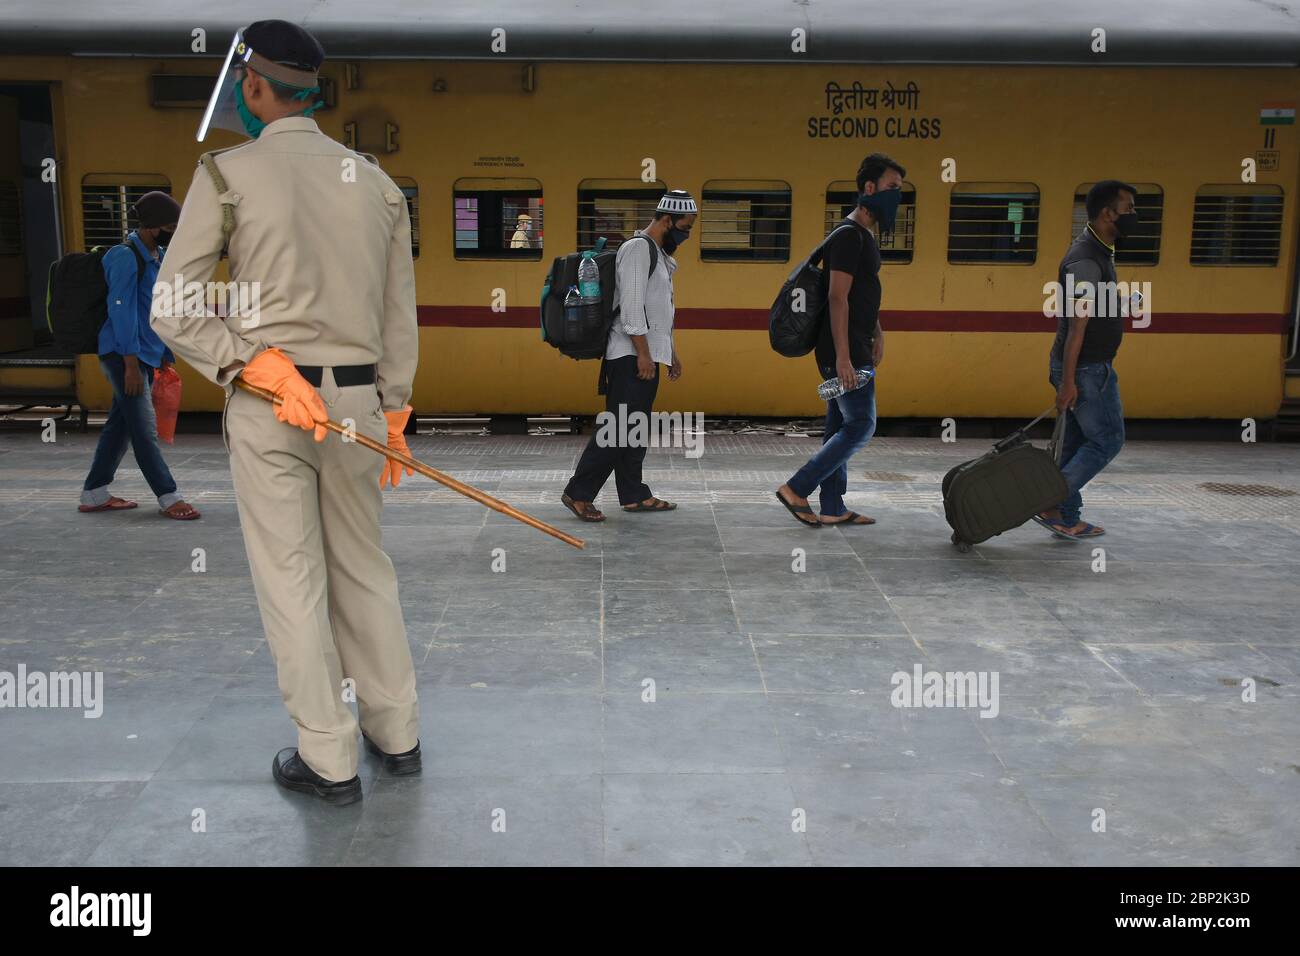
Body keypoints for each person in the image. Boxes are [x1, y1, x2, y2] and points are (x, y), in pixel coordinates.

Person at [151, 19, 420, 804]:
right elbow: (398, 311)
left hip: (273, 407)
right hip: (360, 406)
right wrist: (394, 410)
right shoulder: (374, 182)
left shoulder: (229, 172)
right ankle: (396, 733)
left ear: (254, 84)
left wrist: (247, 359)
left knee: (292, 578)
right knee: (363, 568)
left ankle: (329, 759)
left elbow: (173, 303)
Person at [776, 153, 903, 528]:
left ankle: (832, 505)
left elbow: (863, 293)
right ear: (869, 188)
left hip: (853, 343)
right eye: (892, 188)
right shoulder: (849, 237)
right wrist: (845, 359)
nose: (897, 196)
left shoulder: (862, 236)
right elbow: (837, 297)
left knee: (837, 427)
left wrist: (878, 331)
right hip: (842, 349)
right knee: (861, 424)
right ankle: (797, 488)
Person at [561, 190, 694, 522]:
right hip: (630, 356)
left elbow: (660, 311)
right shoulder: (637, 250)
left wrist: (670, 353)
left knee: (634, 428)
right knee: (620, 429)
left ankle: (634, 494)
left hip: (644, 354)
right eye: (684, 227)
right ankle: (578, 493)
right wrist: (644, 355)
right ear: (666, 219)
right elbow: (633, 308)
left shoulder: (658, 255)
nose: (686, 234)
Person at [78, 191, 200, 521]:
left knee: (122, 426)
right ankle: (169, 496)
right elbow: (122, 311)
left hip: (144, 354)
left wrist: (162, 353)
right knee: (144, 429)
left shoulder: (156, 256)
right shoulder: (124, 256)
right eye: (169, 225)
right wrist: (130, 363)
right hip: (122, 356)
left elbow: (153, 308)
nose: (173, 231)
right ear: (151, 226)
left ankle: (94, 492)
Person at [1033, 180, 1136, 540]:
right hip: (1087, 369)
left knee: (1075, 444)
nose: (1133, 216)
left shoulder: (1100, 251)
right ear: (1108, 213)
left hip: (1088, 368)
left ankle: (1066, 516)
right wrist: (1069, 381)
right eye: (1129, 208)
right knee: (1106, 440)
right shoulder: (1085, 259)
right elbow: (1078, 326)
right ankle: (1051, 501)